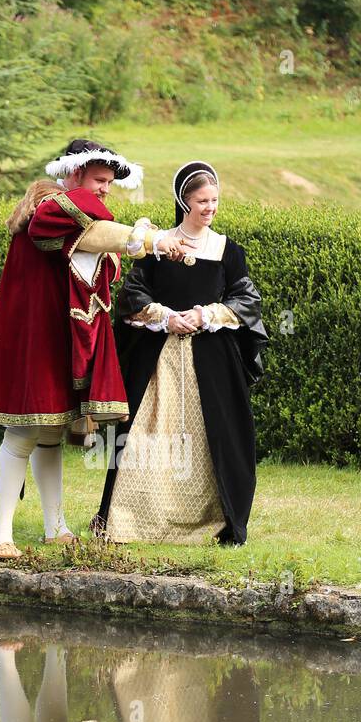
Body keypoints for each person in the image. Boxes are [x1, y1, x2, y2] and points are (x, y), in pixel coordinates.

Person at [0, 138, 184, 560]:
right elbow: (95, 235)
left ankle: (56, 527)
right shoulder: (52, 210)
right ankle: (1, 536)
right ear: (74, 174)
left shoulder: (72, 215)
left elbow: (95, 255)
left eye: (109, 182)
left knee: (49, 435)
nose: (105, 189)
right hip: (35, 339)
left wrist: (139, 237)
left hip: (59, 338)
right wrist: (150, 239)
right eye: (98, 180)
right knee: (21, 435)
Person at [93, 159, 267, 546]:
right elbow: (132, 297)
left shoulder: (227, 250)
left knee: (214, 437)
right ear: (183, 201)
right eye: (203, 201)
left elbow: (246, 300)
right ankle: (132, 521)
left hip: (212, 361)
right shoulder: (159, 246)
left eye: (215, 200)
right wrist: (166, 317)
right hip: (161, 362)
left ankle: (211, 524)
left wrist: (207, 314)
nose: (210, 208)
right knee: (147, 436)